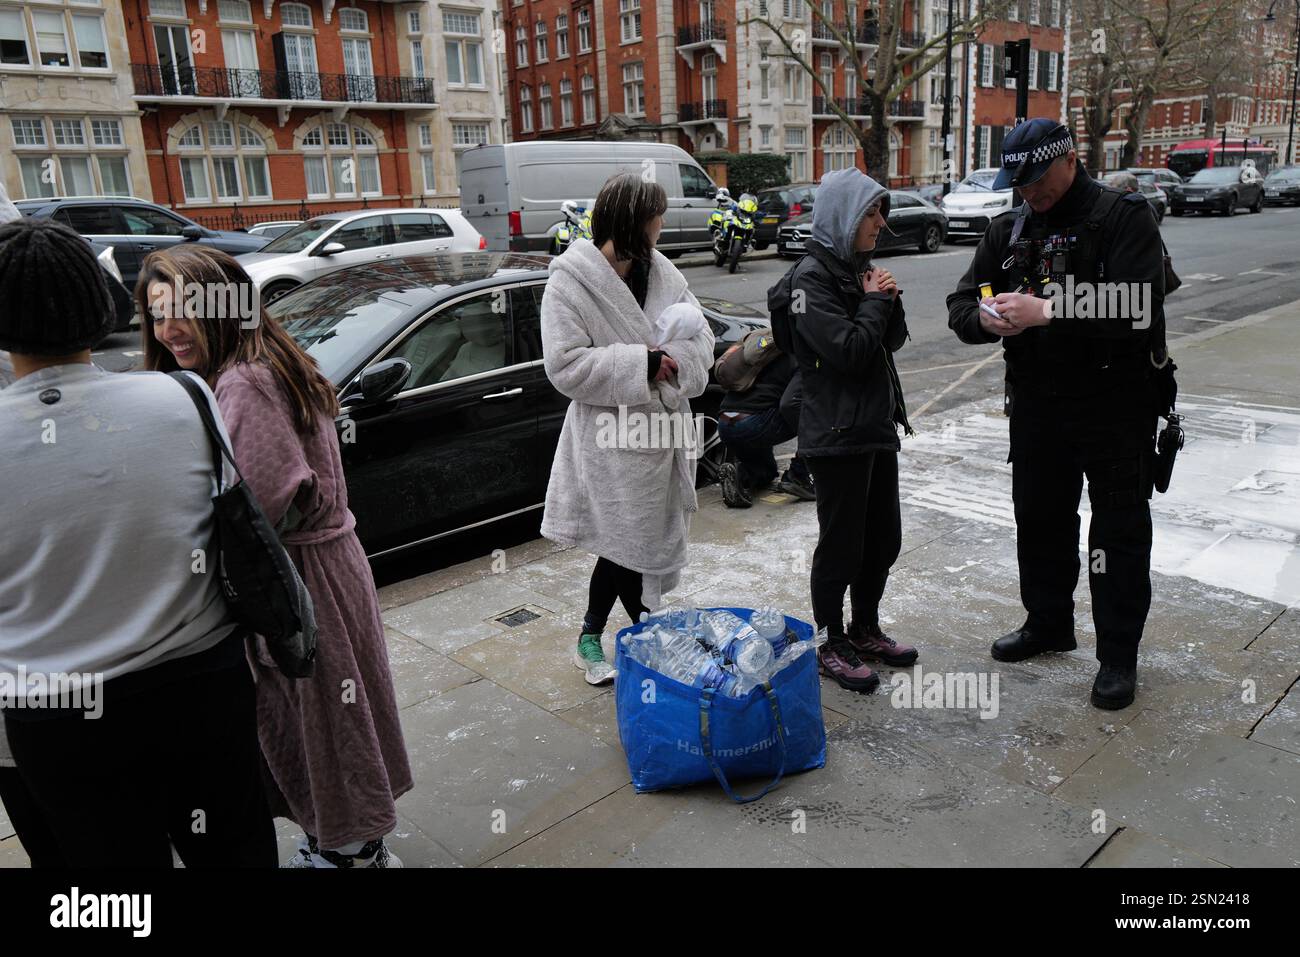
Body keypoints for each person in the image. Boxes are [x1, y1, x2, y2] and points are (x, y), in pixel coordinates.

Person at [0, 219, 275, 867]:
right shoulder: (182, 396)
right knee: (233, 851)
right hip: (201, 689)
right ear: (99, 309)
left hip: (56, 711)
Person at [139, 244, 413, 867]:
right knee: (332, 718)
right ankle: (348, 845)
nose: (168, 330)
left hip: (298, 583)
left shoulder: (245, 380)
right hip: (324, 571)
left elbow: (256, 509)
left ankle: (349, 856)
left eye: (183, 310)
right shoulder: (264, 361)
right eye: (157, 315)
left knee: (321, 727)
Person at [945, 118, 1170, 711]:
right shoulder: (1011, 227)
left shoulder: (1124, 216)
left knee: (1117, 533)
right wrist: (987, 317)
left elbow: (1138, 301)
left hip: (1115, 406)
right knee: (1041, 519)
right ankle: (1048, 621)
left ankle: (1118, 654)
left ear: (1070, 159)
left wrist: (1047, 309)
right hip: (1039, 406)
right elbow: (963, 302)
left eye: (1038, 179)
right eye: (1019, 182)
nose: (1030, 192)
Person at [541, 172, 716, 685]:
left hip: (661, 435)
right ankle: (594, 635)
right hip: (610, 440)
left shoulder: (662, 272)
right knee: (622, 543)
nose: (663, 224)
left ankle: (639, 628)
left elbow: (702, 337)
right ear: (634, 222)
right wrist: (641, 364)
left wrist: (674, 362)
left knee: (646, 541)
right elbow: (565, 366)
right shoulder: (570, 282)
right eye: (656, 215)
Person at [773, 168, 920, 694]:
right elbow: (850, 353)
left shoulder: (855, 269)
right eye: (871, 213)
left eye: (881, 212)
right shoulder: (809, 280)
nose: (880, 223)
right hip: (835, 431)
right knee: (841, 546)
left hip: (874, 423)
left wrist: (886, 297)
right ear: (844, 217)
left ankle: (864, 629)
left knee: (883, 539)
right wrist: (875, 301)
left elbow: (891, 340)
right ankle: (829, 641)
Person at [716, 352, 816, 508]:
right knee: (816, 415)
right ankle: (799, 475)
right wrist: (809, 437)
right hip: (751, 422)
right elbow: (790, 404)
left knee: (766, 473)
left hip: (725, 421)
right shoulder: (802, 356)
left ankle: (741, 475)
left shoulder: (767, 353)